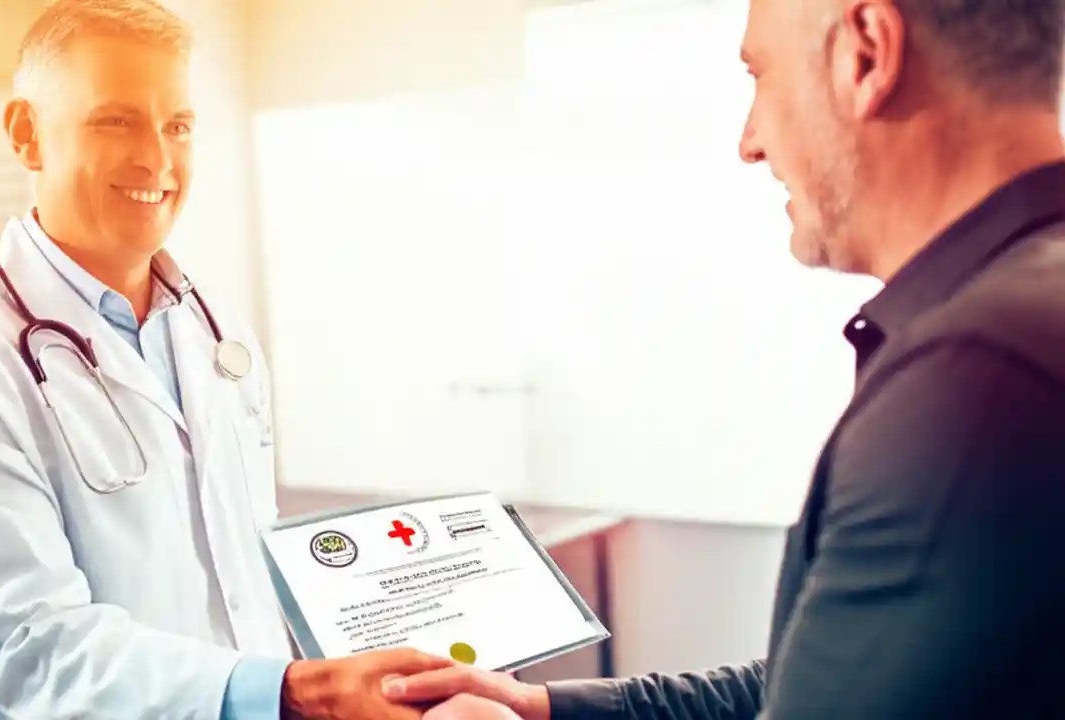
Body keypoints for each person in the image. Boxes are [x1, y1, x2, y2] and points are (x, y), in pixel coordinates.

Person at [389, 0, 1065, 718]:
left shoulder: (977, 379)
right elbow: (827, 673)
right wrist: (543, 708)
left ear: (864, 54)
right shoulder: (1022, 319)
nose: (750, 142)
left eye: (759, 74)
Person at [0, 1, 450, 717]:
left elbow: (246, 571)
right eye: (115, 121)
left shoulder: (216, 328)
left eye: (177, 125)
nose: (156, 157)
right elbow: (34, 648)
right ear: (27, 133)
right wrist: (294, 693)